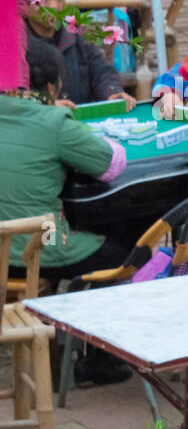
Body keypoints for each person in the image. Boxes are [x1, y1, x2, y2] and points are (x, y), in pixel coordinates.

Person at [1, 55, 134, 383]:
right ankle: (97, 360)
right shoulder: (54, 122)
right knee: (123, 249)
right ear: (50, 86)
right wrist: (68, 123)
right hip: (34, 251)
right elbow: (112, 164)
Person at [23, 0, 133, 109]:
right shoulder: (16, 46)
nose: (54, 6)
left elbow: (101, 71)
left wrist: (112, 93)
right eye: (43, 0)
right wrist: (46, 104)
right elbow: (10, 96)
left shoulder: (74, 34)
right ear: (24, 5)